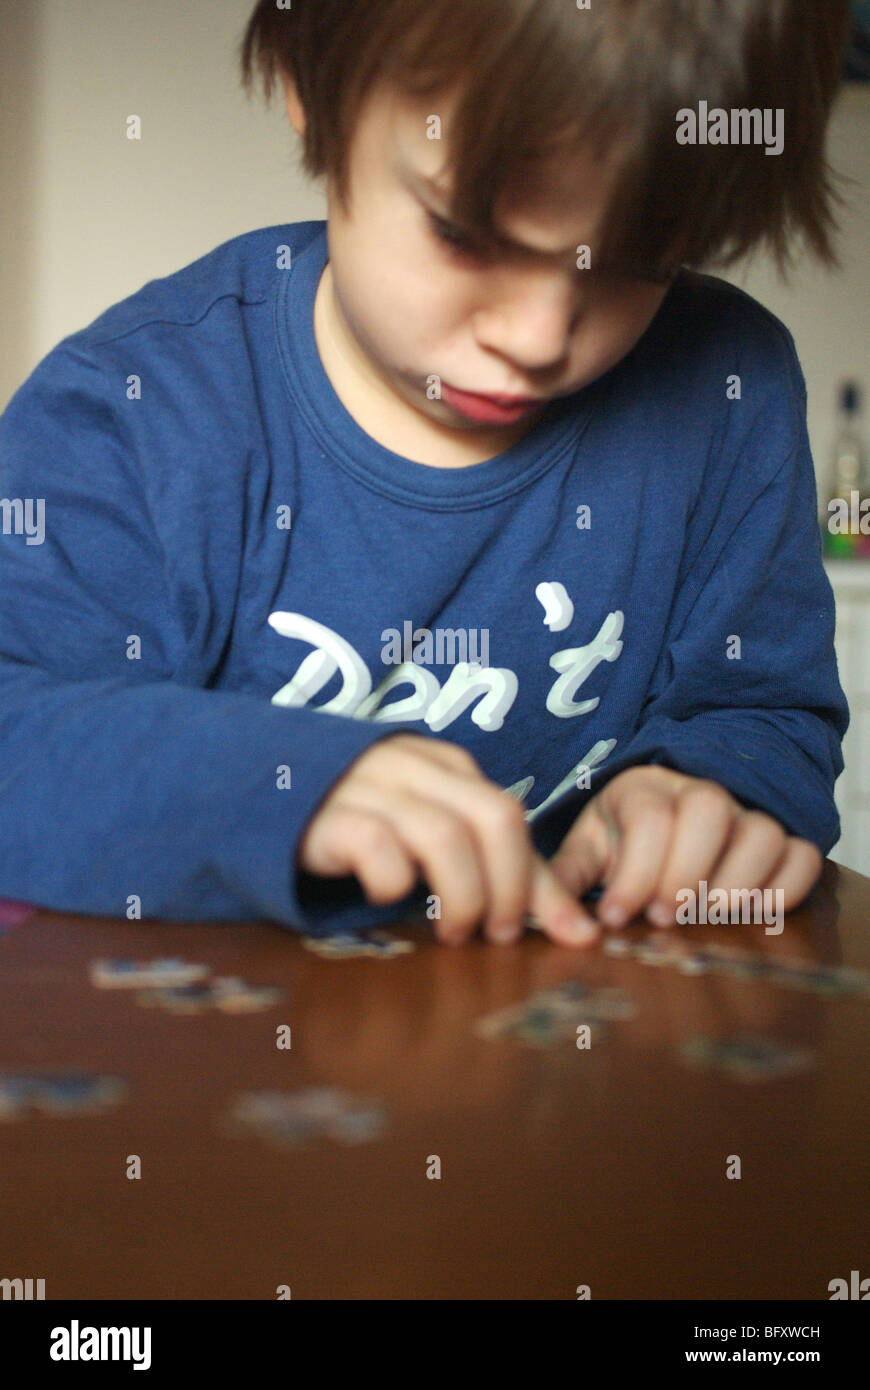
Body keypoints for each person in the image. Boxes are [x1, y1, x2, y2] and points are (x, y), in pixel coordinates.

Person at [0, 0, 852, 947]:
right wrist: (290, 782)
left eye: (639, 262)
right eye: (467, 234)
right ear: (305, 85)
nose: (535, 338)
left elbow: (766, 712)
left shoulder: (727, 388)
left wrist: (708, 797)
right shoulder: (130, 408)